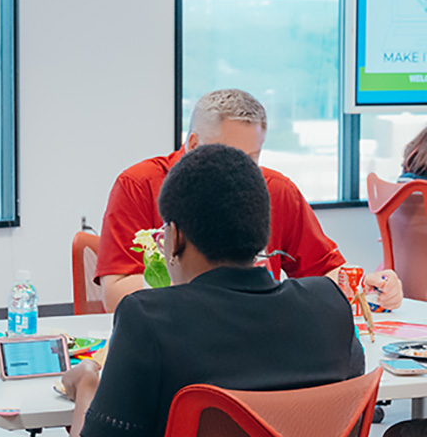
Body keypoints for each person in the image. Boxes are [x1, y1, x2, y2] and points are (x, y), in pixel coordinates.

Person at [62, 144, 365, 437]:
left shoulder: (148, 318)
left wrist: (86, 384)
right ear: (263, 232)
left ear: (174, 237)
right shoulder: (329, 305)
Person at [96, 88, 403, 312]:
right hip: (171, 337)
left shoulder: (276, 190)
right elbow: (117, 295)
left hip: (254, 340)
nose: (240, 174)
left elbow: (325, 272)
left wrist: (369, 287)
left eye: (251, 159)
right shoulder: (139, 186)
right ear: (193, 144)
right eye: (227, 157)